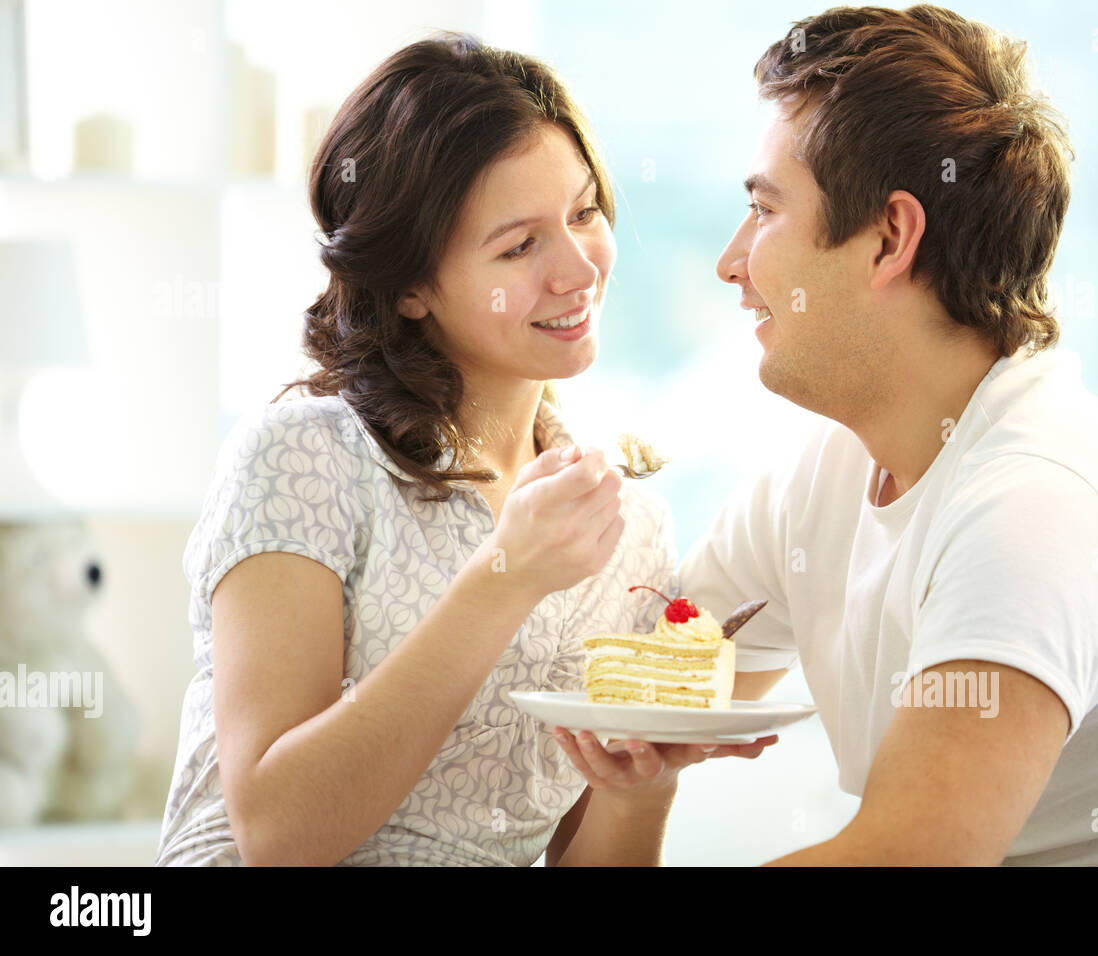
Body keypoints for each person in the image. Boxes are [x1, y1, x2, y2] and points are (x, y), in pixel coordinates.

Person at [679, 4, 1098, 865]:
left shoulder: (1039, 502)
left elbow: (907, 857)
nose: (732, 260)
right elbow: (659, 693)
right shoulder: (825, 478)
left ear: (889, 237)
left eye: (765, 210)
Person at [155, 32, 773, 868]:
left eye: (584, 213)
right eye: (519, 247)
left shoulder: (622, 526)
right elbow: (279, 837)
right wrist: (504, 579)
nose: (578, 271)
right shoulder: (306, 457)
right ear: (410, 287)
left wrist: (646, 779)